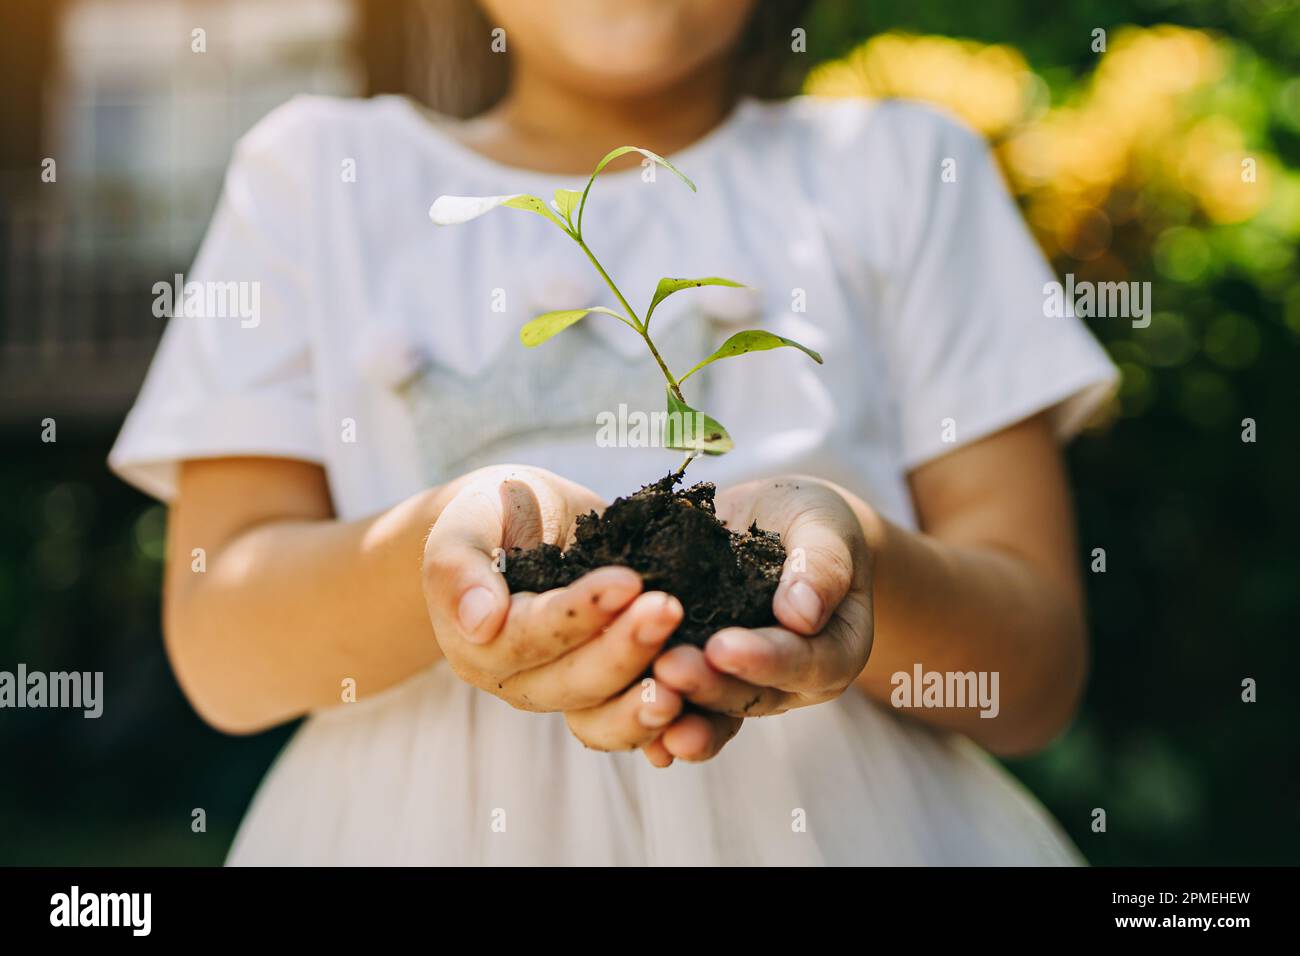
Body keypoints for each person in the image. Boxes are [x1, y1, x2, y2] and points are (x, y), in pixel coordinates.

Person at [110, 0, 1117, 864]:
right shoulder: (317, 178)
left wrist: (849, 560)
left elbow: (1031, 675)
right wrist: (445, 557)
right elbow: (222, 644)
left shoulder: (901, 171)